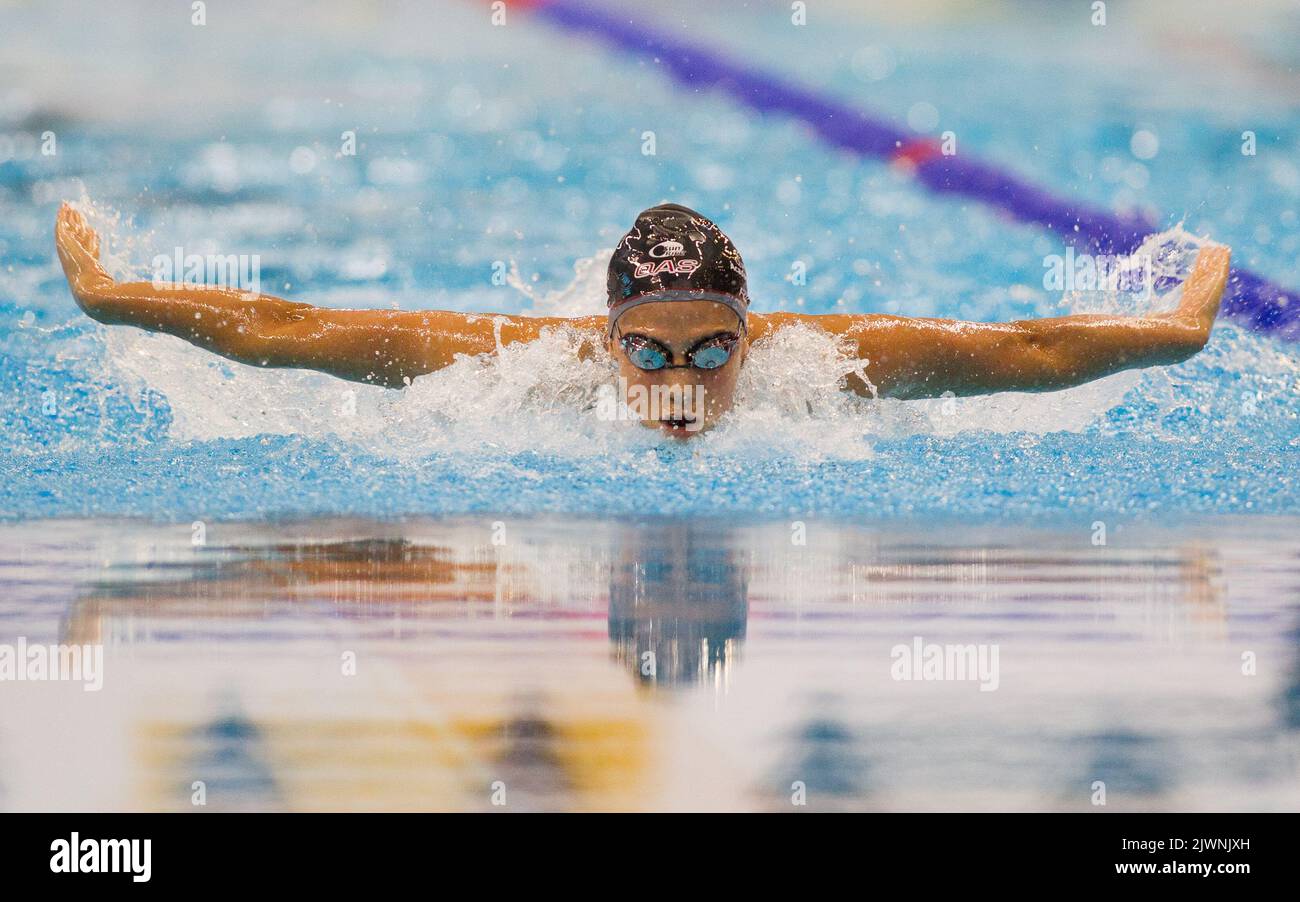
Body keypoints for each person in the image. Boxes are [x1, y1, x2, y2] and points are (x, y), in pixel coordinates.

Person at [55, 201, 1230, 437]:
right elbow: (295, 328)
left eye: (714, 348)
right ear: (605, 335)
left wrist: (1172, 326)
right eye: (651, 351)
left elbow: (1028, 352)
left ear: (751, 333)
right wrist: (118, 296)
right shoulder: (528, 369)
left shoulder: (817, 365)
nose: (682, 381)